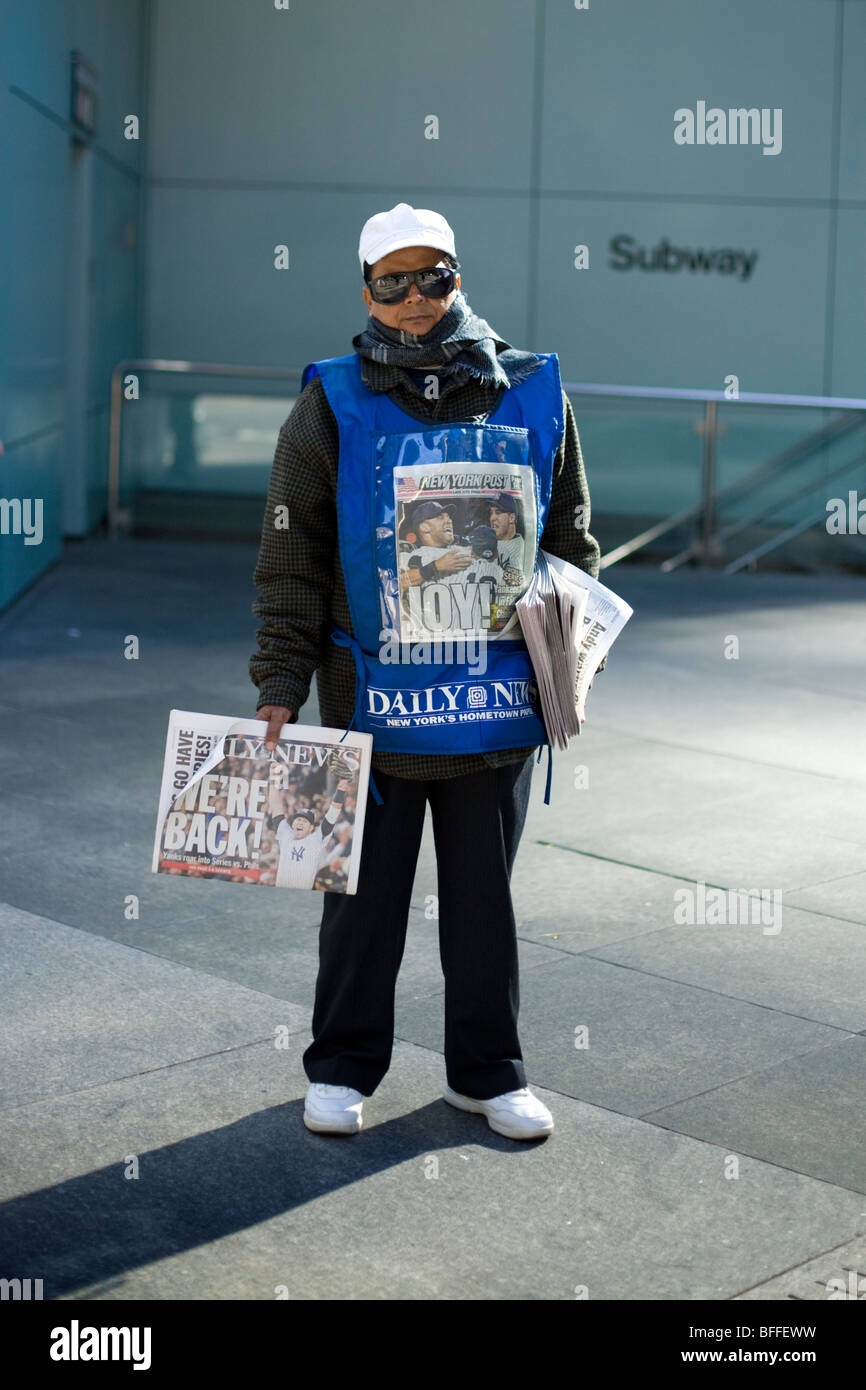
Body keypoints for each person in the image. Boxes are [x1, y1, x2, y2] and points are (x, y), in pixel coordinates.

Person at [250, 202, 602, 1140]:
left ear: (459, 277)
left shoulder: (532, 391)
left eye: (431, 276)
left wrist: (569, 652)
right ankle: (341, 1067)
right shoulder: (329, 399)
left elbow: (571, 542)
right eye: (390, 281)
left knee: (484, 907)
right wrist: (280, 683)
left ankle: (487, 1073)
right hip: (372, 702)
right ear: (365, 289)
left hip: (493, 700)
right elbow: (292, 554)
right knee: (362, 902)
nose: (414, 299)